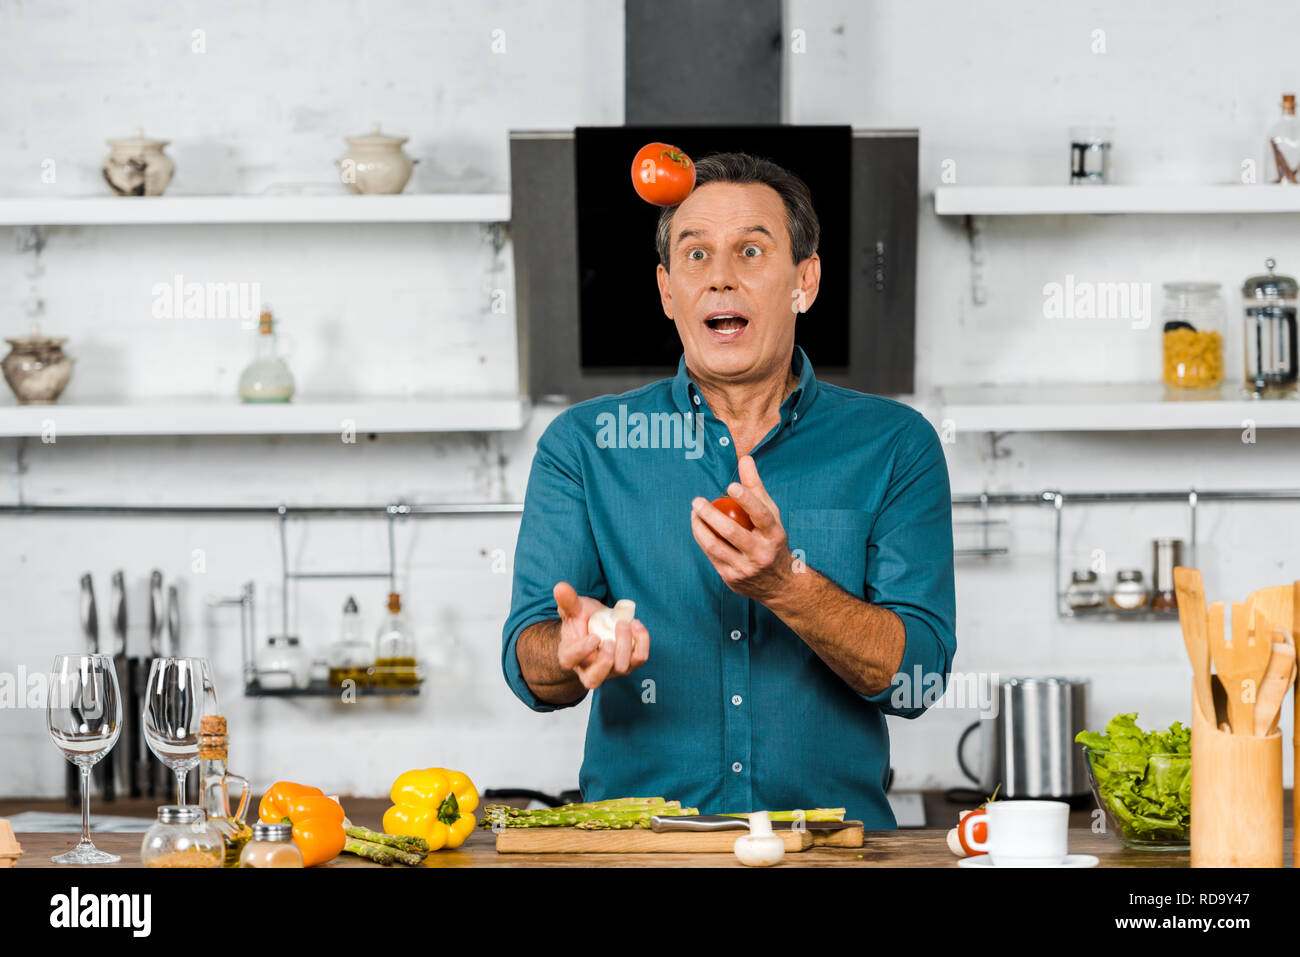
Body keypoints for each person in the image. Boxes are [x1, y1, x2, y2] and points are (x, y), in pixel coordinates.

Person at [501, 152, 955, 826]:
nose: (720, 277)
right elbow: (528, 661)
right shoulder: (584, 446)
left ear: (806, 280)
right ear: (666, 290)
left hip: (831, 851)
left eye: (750, 250)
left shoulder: (895, 444)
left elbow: (919, 677)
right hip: (642, 855)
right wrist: (568, 650)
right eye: (696, 255)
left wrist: (786, 584)